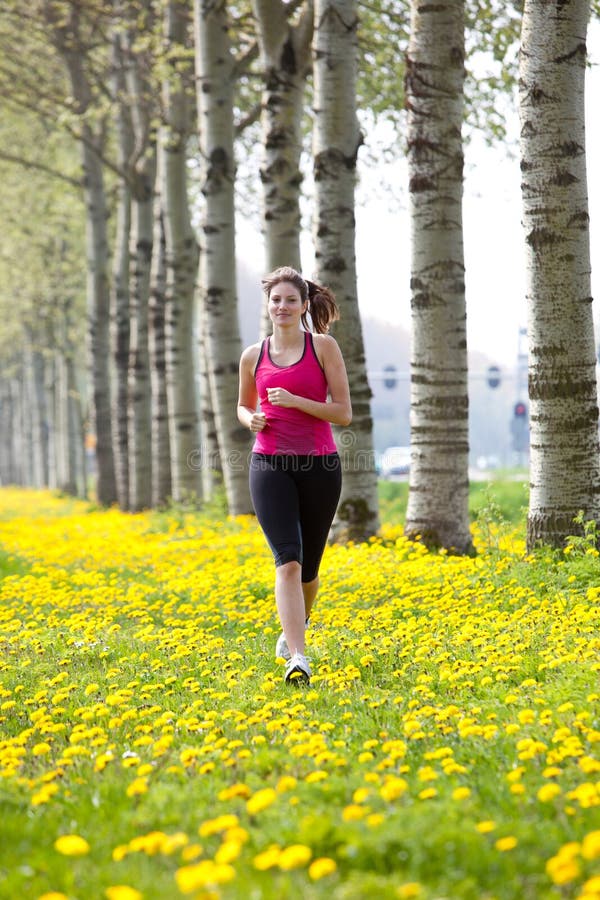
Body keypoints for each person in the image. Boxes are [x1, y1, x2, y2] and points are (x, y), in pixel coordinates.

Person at [237, 266, 352, 684]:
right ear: (267, 306)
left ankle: (295, 628)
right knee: (287, 560)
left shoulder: (323, 348)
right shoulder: (254, 355)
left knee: (309, 569)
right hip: (269, 464)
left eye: (290, 300)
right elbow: (243, 406)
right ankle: (298, 657)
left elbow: (343, 412)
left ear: (304, 305)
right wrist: (250, 419)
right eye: (275, 300)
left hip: (320, 465)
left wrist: (298, 401)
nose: (281, 307)